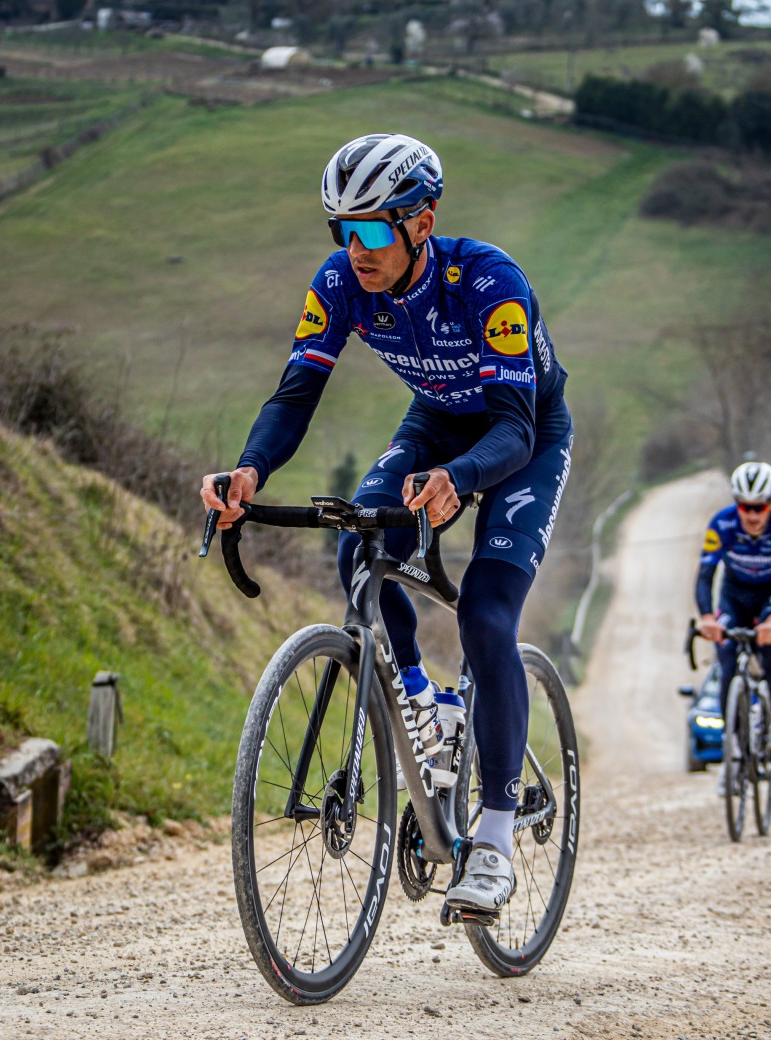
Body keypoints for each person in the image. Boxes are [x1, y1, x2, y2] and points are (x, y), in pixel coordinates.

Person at [200, 133, 573, 918]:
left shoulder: (490, 282)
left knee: (485, 615)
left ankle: (494, 841)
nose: (356, 248)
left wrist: (459, 480)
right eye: (342, 228)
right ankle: (418, 697)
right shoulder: (341, 282)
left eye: (372, 228)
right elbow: (295, 393)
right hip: (436, 421)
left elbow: (514, 428)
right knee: (359, 546)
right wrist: (248, 471)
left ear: (422, 222)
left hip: (522, 437)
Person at [695, 461, 771, 792]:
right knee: (726, 659)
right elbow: (705, 575)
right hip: (735, 597)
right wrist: (706, 616)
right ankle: (731, 754)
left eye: (760, 507)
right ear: (736, 503)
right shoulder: (721, 524)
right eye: (745, 507)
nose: (753, 516)